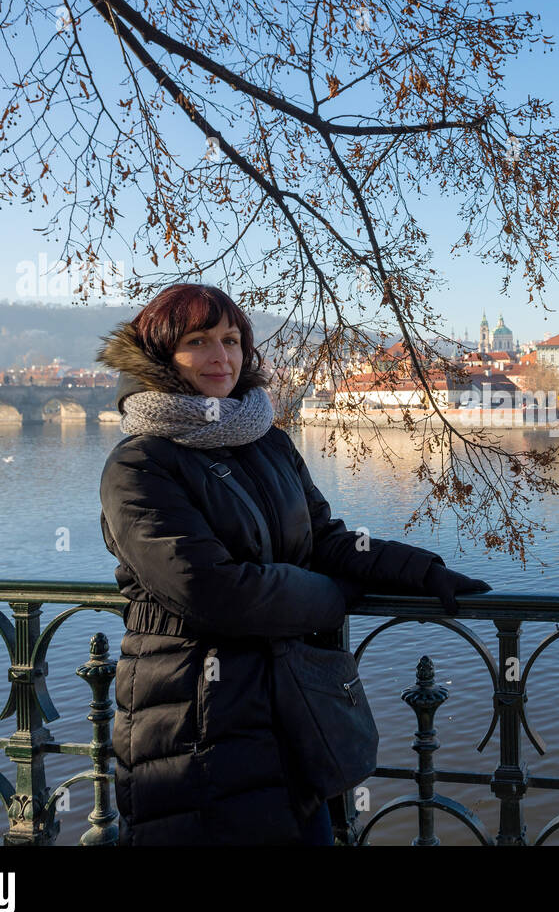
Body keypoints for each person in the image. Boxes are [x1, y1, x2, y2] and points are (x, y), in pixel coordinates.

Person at [95, 283, 491, 845]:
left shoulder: (267, 443)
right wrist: (332, 597)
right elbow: (209, 591)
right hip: (193, 713)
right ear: (161, 356)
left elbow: (326, 540)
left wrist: (420, 571)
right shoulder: (139, 464)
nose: (221, 357)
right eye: (198, 341)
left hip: (290, 704)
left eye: (231, 340)